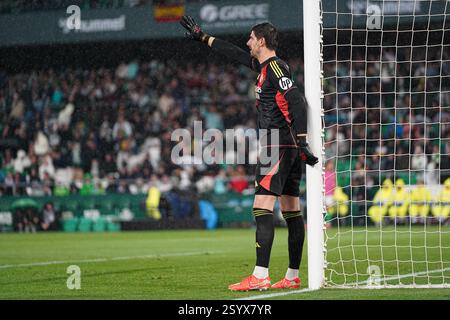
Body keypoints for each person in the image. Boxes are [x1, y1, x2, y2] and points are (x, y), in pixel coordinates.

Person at [180, 16, 318, 291]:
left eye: (251, 38)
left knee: (262, 208)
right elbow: (237, 55)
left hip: (276, 144)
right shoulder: (268, 68)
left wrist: (303, 141)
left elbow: (297, 101)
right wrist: (204, 37)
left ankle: (260, 274)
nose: (248, 42)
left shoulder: (276, 69)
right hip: (285, 146)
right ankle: (292, 276)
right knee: (291, 210)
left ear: (262, 41)